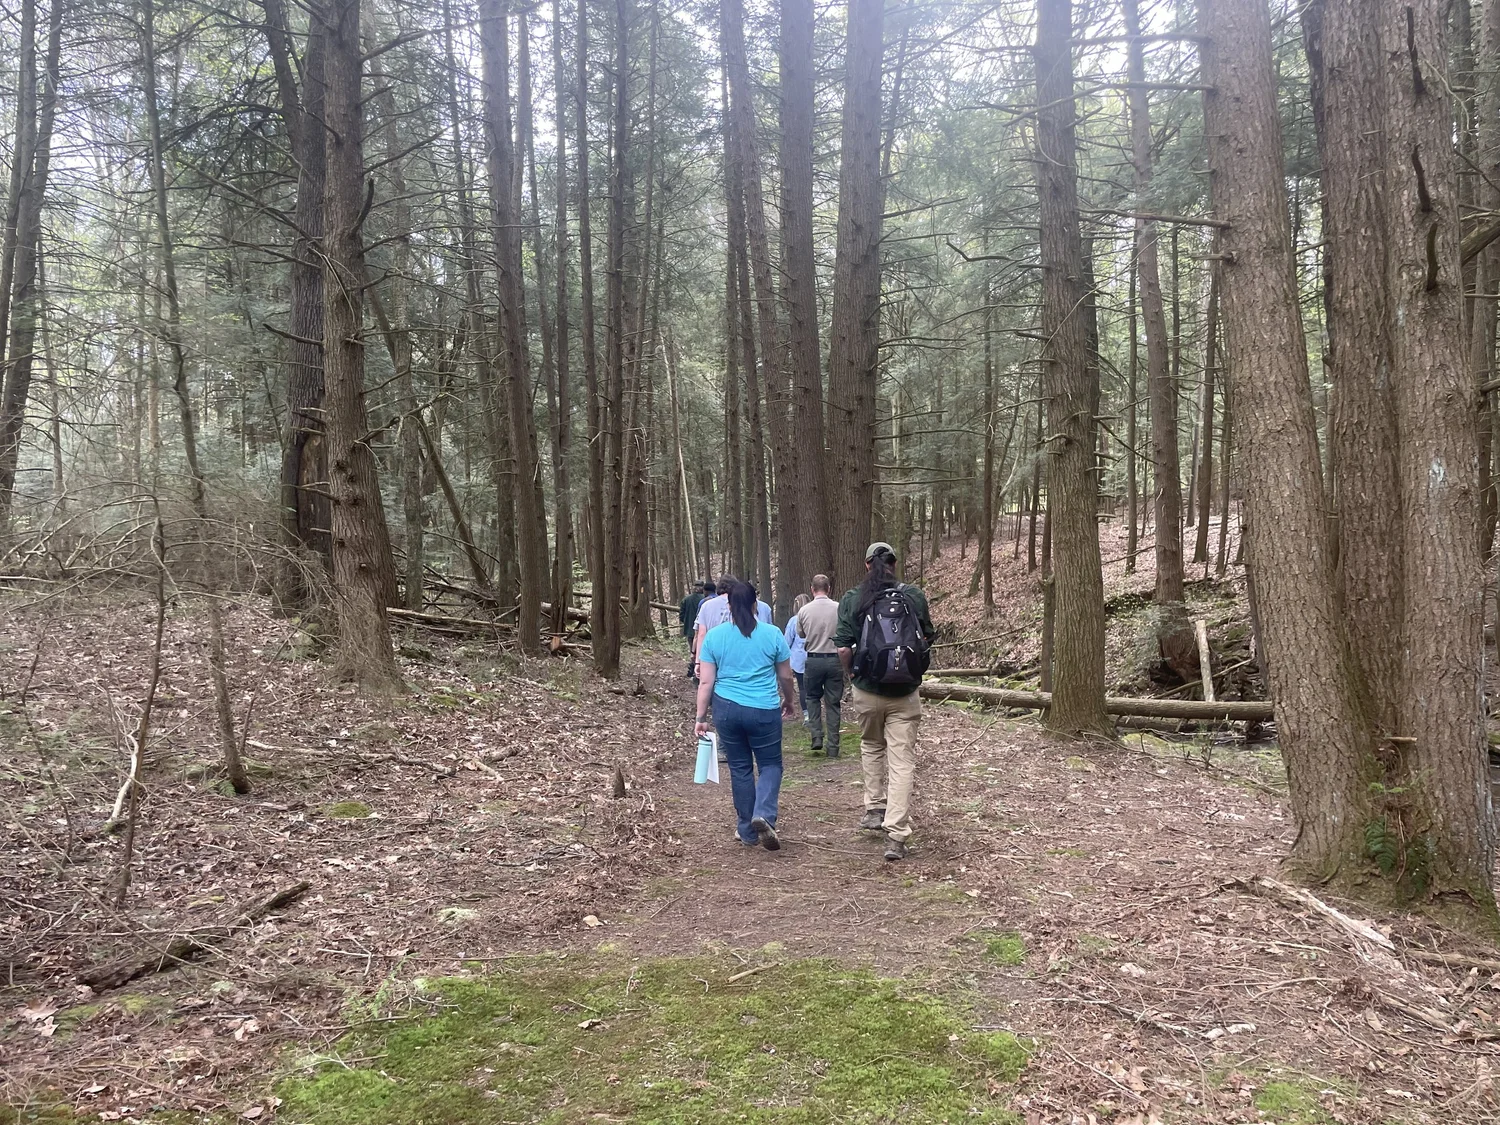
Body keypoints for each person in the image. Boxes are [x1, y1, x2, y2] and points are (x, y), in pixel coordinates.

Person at [835, 542, 936, 861]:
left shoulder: (854, 598)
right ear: (894, 563)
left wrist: (851, 674)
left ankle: (875, 808)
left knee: (871, 745)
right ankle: (896, 835)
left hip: (867, 688)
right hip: (905, 692)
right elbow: (928, 636)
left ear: (867, 565)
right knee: (902, 761)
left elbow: (842, 646)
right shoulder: (913, 595)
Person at [694, 581, 797, 849]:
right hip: (764, 708)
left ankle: (747, 831)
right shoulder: (772, 634)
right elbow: (786, 675)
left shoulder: (715, 637)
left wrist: (700, 717)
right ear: (756, 605)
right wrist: (789, 701)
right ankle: (763, 814)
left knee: (740, 768)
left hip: (727, 709)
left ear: (729, 607)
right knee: (771, 764)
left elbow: (706, 682)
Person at [796, 574, 844, 757]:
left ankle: (816, 736)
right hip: (834, 659)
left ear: (812, 589)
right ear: (829, 588)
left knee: (812, 698)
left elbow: (801, 634)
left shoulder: (804, 611)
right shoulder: (838, 608)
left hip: (813, 659)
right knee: (833, 703)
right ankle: (833, 746)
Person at [692, 574, 771, 676]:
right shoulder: (763, 607)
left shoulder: (706, 606)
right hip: (751, 659)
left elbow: (701, 634)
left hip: (714, 656)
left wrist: (698, 660)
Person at [784, 593, 811, 720]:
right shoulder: (813, 617)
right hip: (814, 655)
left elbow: (787, 641)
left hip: (799, 659)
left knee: (802, 687)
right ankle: (814, 711)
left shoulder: (793, 621)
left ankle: (807, 715)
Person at [679, 581, 711, 677]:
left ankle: (693, 669)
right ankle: (702, 670)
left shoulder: (686, 599)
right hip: (704, 630)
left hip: (690, 630)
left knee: (693, 650)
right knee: (703, 650)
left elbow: (681, 615)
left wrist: (687, 622)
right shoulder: (707, 601)